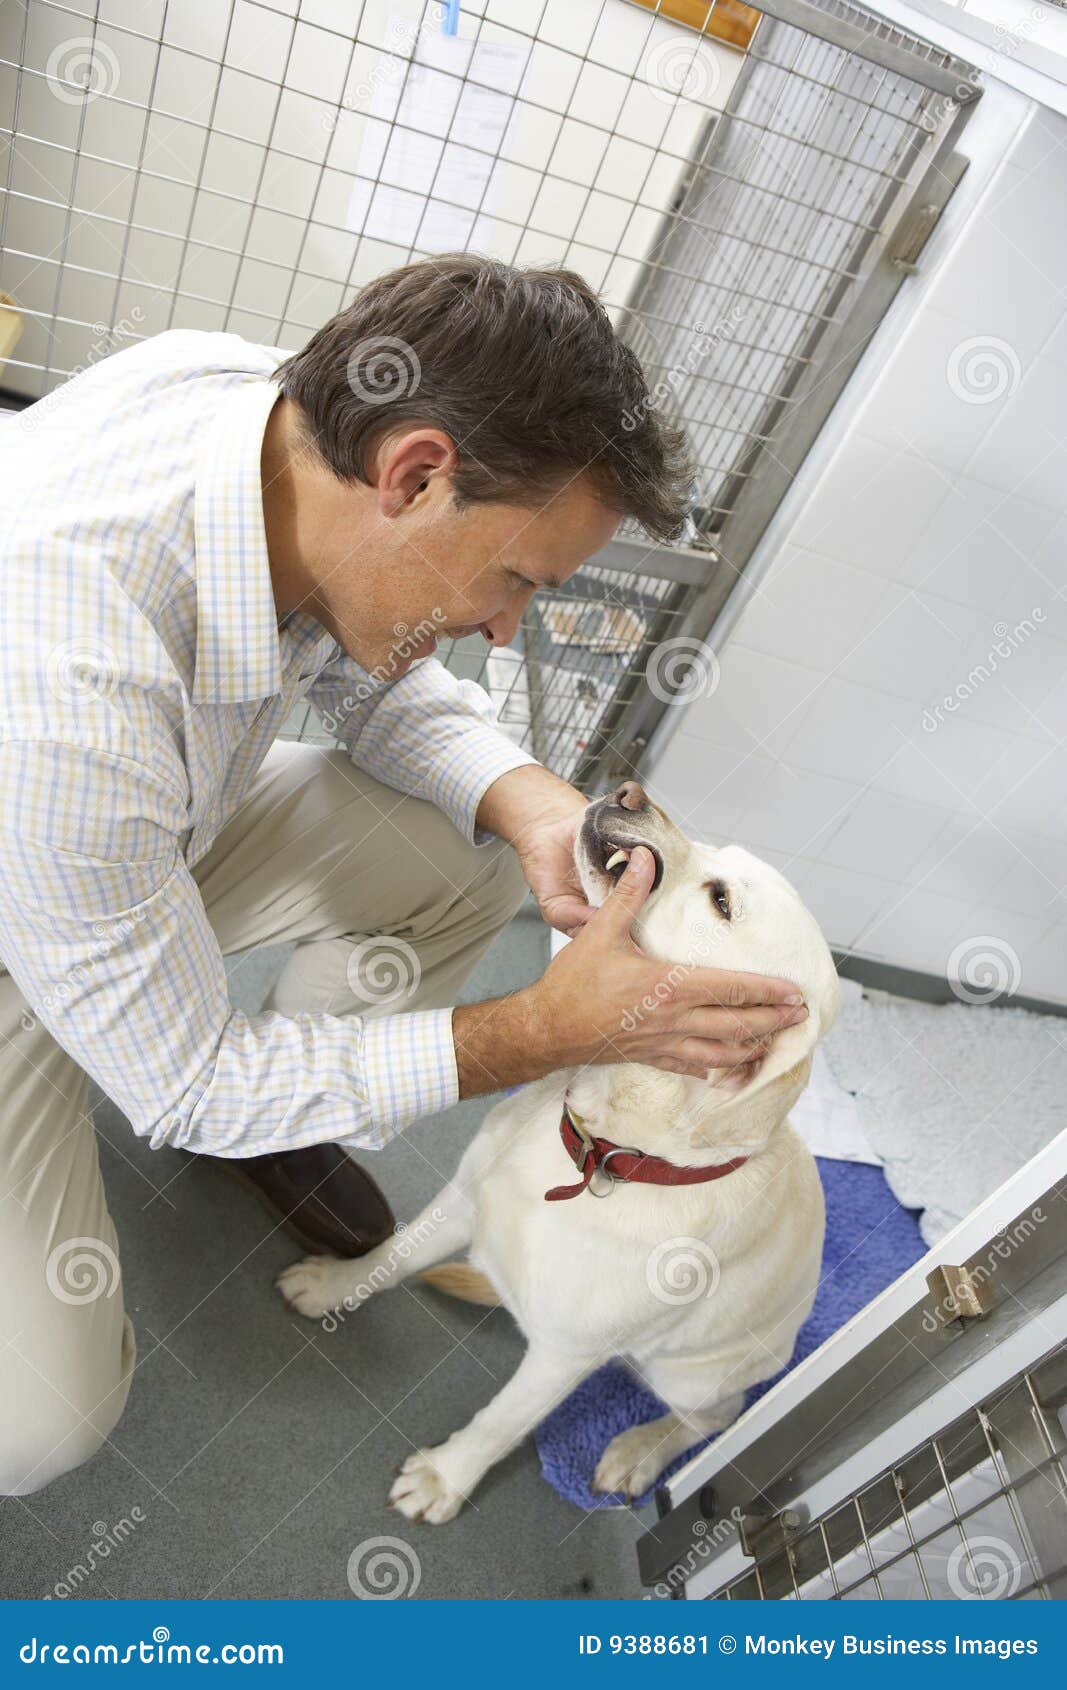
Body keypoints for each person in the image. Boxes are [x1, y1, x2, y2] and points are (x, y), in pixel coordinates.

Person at [0, 253, 805, 1494]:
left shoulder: (255, 411)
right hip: (30, 916)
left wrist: (528, 800)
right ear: (416, 474)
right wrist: (536, 1030)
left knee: (465, 850)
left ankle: (282, 1112)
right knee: (44, 1423)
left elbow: (360, 666)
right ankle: (250, 1106)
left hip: (126, 846)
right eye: (517, 582)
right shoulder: (63, 682)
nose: (503, 629)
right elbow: (179, 1080)